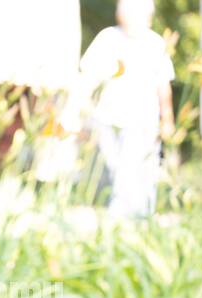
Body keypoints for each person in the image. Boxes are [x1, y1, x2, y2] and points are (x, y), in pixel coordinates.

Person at [74, 0, 176, 217]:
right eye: (127, 12)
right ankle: (125, 219)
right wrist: (78, 113)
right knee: (115, 170)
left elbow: (163, 86)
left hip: (143, 121)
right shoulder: (108, 38)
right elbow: (88, 78)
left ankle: (129, 219)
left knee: (134, 170)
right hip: (108, 119)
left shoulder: (155, 43)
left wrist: (167, 120)